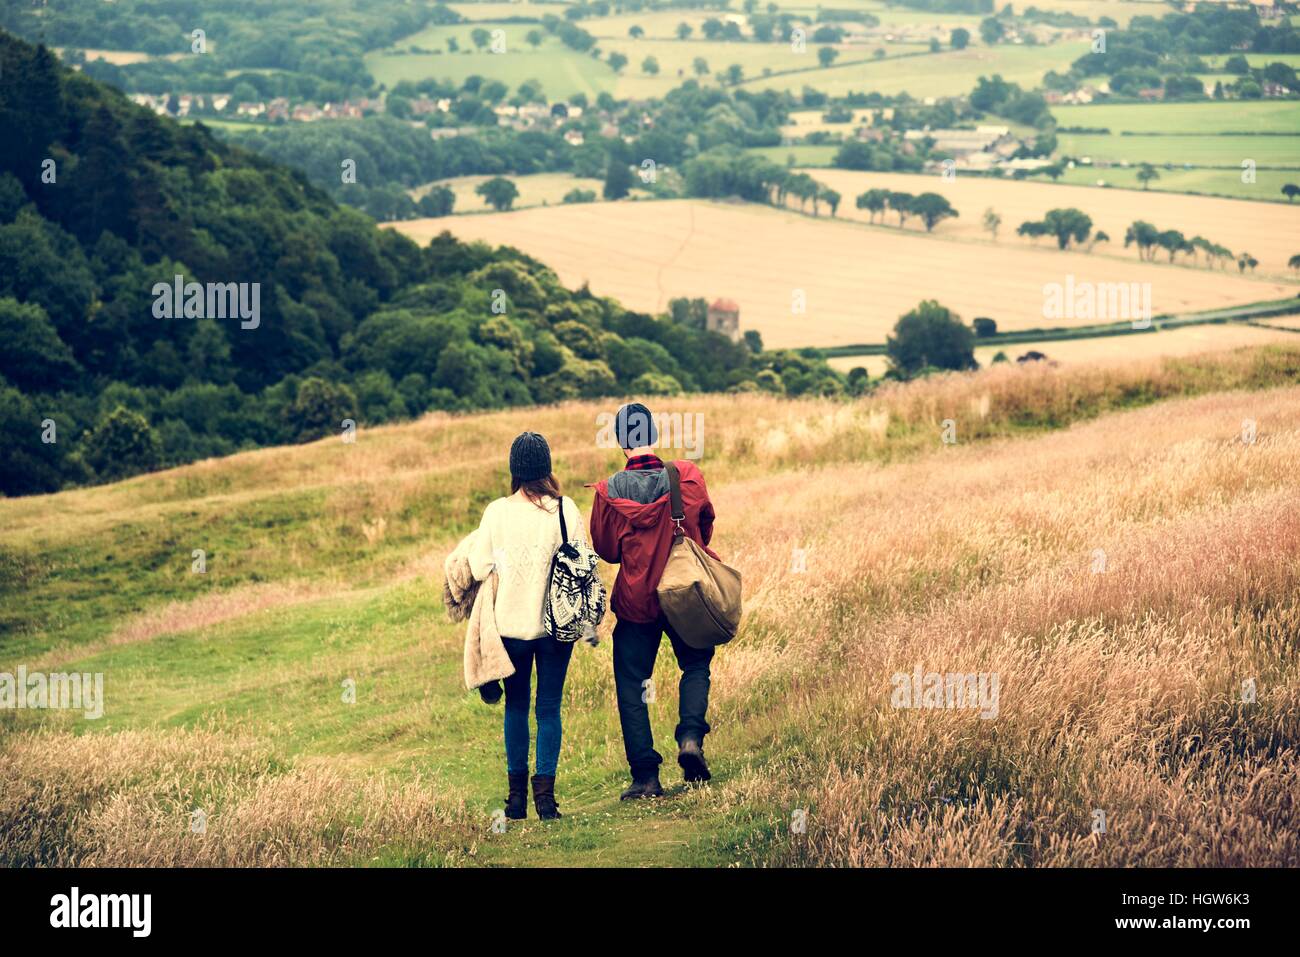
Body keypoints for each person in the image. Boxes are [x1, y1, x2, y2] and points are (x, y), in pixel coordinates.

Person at [589, 403, 718, 799]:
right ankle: (690, 738)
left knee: (632, 683)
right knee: (695, 664)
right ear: (654, 436)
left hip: (636, 602)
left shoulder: (609, 490)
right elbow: (706, 525)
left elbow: (606, 550)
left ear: (620, 441)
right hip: (684, 596)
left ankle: (646, 777)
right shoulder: (686, 476)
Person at [469, 432, 586, 820]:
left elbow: (479, 567)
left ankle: (516, 801)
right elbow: (583, 559)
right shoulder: (565, 509)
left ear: (514, 470)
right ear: (546, 468)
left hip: (509, 629)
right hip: (556, 627)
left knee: (516, 707)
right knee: (549, 709)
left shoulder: (496, 512)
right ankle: (546, 802)